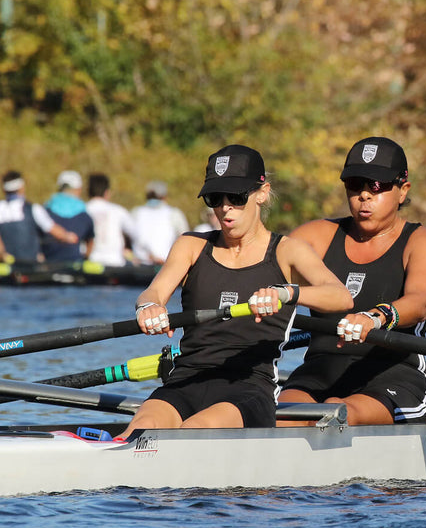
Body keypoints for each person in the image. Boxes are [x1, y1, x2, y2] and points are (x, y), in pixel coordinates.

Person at [116, 145, 352, 439]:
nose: (225, 207)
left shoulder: (287, 251)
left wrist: (287, 294)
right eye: (216, 198)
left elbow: (341, 297)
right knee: (140, 432)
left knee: (190, 434)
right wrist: (149, 308)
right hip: (186, 379)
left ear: (262, 193)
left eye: (237, 197)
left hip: (249, 389)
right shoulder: (191, 246)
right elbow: (152, 293)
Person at [278, 137, 426, 425]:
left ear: (403, 191)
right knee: (277, 416)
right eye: (355, 184)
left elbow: (420, 302)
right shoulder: (315, 236)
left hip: (393, 373)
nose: (364, 195)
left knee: (335, 411)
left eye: (377, 186)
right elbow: (260, 275)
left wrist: (374, 318)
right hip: (320, 370)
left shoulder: (422, 242)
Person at [0, 170, 80, 262]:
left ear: (3, 190)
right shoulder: (33, 209)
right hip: (29, 267)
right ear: (22, 188)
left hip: (4, 265)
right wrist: (68, 237)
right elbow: (54, 230)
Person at [130, 181, 190, 264]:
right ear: (164, 197)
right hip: (150, 266)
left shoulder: (136, 213)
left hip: (159, 266)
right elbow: (185, 240)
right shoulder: (174, 213)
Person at [41, 170, 94, 263]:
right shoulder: (84, 215)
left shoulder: (44, 211)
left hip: (49, 266)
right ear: (78, 190)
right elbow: (90, 242)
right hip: (75, 267)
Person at [84, 173, 137, 267]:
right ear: (107, 192)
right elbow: (135, 233)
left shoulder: (83, 210)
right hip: (115, 262)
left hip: (91, 263)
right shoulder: (118, 211)